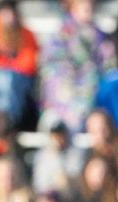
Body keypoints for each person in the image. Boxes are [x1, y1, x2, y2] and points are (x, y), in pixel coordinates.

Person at [39, 0, 110, 134]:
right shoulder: (63, 30)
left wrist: (90, 70)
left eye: (90, 6)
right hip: (65, 76)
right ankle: (59, 125)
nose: (88, 9)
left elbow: (105, 59)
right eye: (84, 6)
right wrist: (69, 70)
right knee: (61, 87)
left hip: (89, 78)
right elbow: (51, 58)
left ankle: (82, 126)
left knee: (93, 87)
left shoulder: (98, 33)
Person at [0, 1, 38, 127]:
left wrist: (6, 65)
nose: (9, 17)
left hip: (21, 80)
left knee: (7, 78)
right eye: (5, 12)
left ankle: (8, 117)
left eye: (11, 12)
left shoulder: (26, 34)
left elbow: (28, 63)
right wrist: (8, 64)